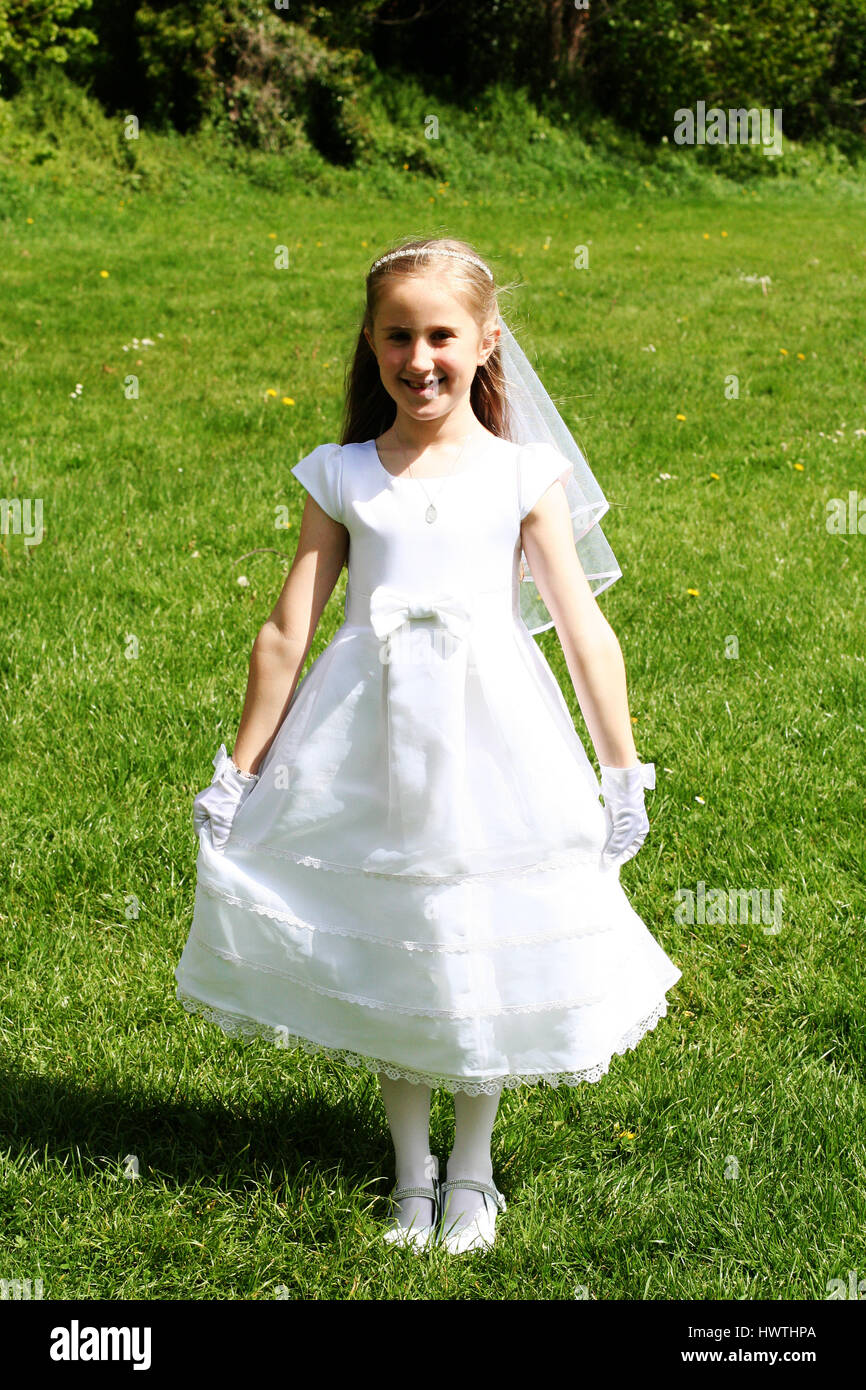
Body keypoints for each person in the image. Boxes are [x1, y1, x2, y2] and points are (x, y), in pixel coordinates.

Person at [175, 235, 681, 1257]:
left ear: (485, 342)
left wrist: (619, 765)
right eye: (397, 336)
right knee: (402, 933)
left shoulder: (520, 475)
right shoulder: (343, 474)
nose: (419, 359)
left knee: (474, 933)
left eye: (441, 335)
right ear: (369, 343)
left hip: (491, 741)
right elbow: (288, 628)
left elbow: (584, 631)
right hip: (368, 738)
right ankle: (411, 1174)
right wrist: (240, 766)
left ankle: (474, 1170)